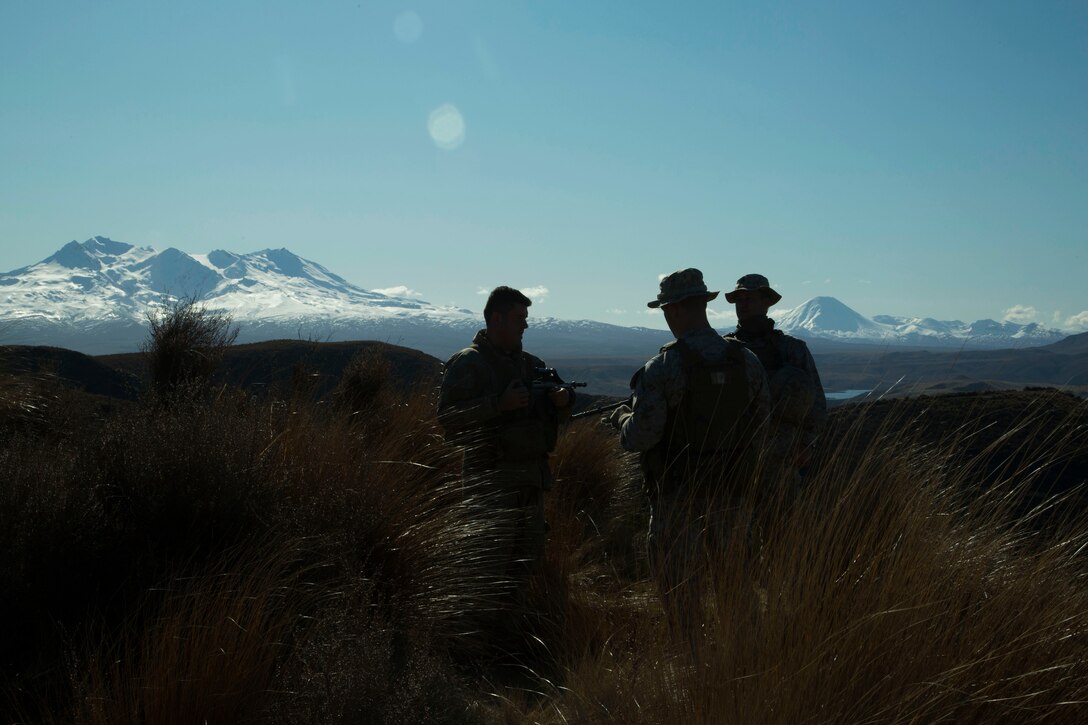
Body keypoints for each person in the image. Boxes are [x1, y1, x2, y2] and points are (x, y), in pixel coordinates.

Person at [606, 268, 769, 640]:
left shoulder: (664, 367)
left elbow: (640, 438)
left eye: (665, 309)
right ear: (704, 304)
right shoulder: (746, 361)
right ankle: (749, 666)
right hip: (733, 496)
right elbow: (762, 423)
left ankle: (694, 674)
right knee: (738, 592)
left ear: (675, 309)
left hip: (678, 503)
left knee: (683, 600)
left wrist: (622, 419)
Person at [436, 286, 574, 628]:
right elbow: (448, 421)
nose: (524, 326)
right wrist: (498, 405)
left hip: (531, 484)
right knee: (484, 569)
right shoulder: (469, 363)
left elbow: (563, 402)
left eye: (526, 319)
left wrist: (563, 399)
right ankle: (472, 651)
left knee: (526, 568)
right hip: (491, 486)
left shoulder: (531, 365)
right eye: (519, 319)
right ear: (496, 319)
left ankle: (512, 648)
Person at [723, 274, 827, 489]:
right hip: (731, 459)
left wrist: (806, 444)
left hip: (783, 459)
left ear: (766, 302)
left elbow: (816, 402)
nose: (742, 304)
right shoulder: (723, 350)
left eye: (748, 298)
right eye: (738, 299)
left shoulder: (792, 349)